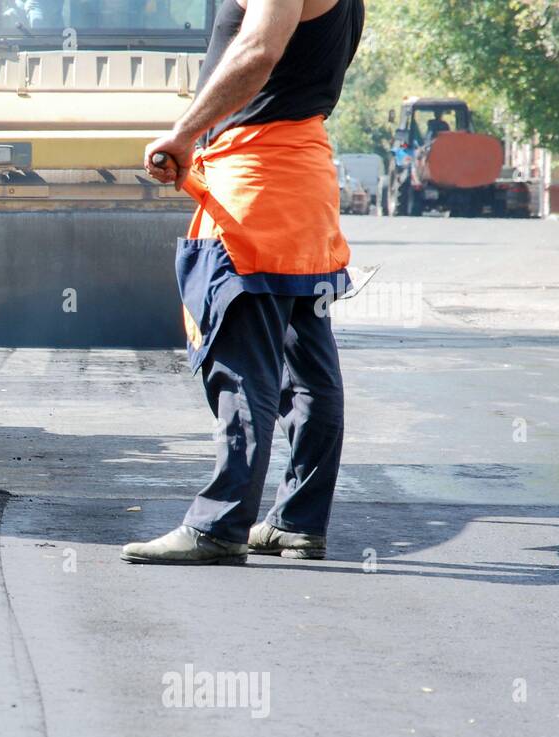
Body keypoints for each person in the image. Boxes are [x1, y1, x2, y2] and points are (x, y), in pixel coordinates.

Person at [122, 0, 365, 565]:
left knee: (242, 366)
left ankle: (219, 526)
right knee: (309, 368)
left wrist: (184, 134)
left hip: (257, 187)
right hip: (303, 184)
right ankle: (298, 523)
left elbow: (259, 50)